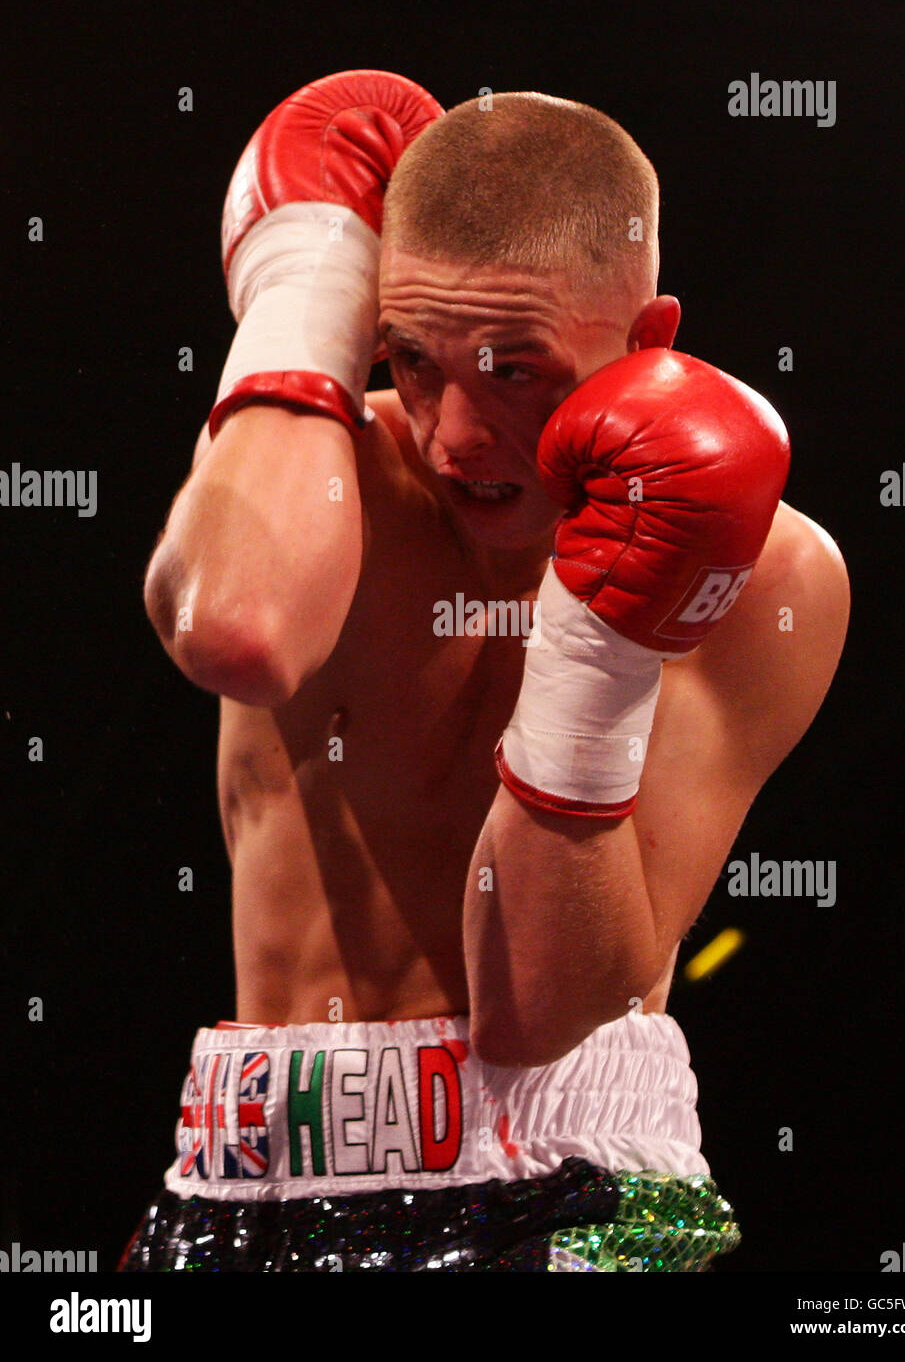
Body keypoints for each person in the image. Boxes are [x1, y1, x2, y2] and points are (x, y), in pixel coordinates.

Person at [121, 70, 849, 1272]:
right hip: (251, 1167)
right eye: (411, 355)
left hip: (584, 1173)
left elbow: (541, 1009)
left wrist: (598, 641)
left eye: (517, 368)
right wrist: (305, 284)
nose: (454, 435)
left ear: (646, 343)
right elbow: (236, 629)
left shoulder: (769, 574)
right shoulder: (319, 467)